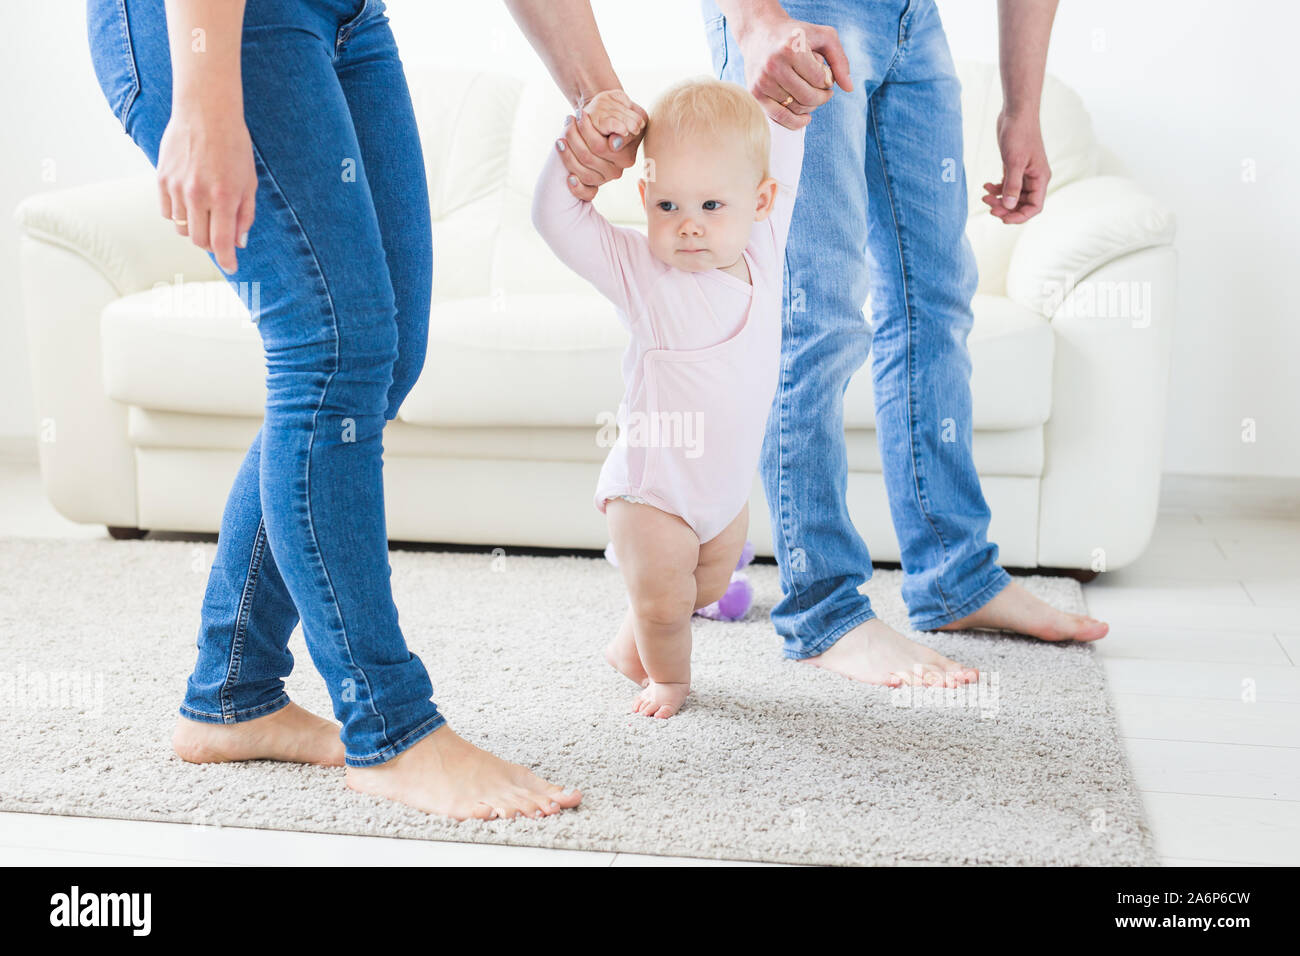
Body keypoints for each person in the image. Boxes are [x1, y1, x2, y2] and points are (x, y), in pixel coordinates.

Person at [85, 0, 645, 821]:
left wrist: (600, 97)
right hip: (213, 24)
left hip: (346, 19)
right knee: (331, 345)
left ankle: (232, 694)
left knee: (383, 355)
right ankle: (391, 725)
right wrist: (206, 100)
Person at [701, 0, 1109, 688]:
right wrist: (755, 20)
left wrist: (1023, 106)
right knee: (818, 309)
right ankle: (823, 612)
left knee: (936, 299)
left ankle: (956, 577)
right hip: (798, 12)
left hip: (914, 23)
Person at [532, 68, 816, 718]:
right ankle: (666, 680)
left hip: (723, 493)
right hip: (653, 492)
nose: (688, 226)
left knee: (706, 583)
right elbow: (556, 220)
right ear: (646, 197)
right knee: (664, 605)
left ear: (761, 201)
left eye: (711, 206)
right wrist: (582, 143)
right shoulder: (641, 269)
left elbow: (787, 140)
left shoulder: (765, 248)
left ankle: (629, 648)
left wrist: (791, 101)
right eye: (668, 206)